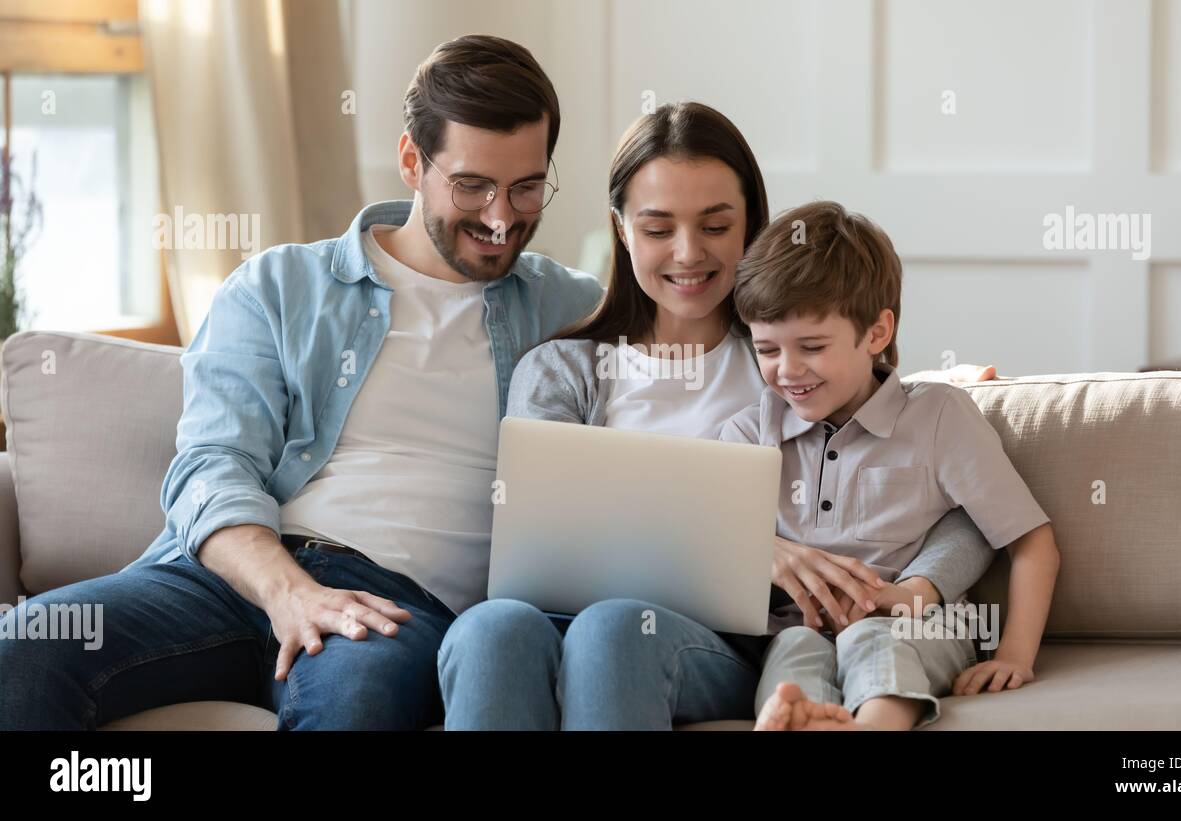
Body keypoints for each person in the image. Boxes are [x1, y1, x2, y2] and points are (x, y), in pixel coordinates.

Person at [0, 35, 602, 730]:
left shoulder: (573, 310)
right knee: (27, 646)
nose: (501, 218)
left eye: (526, 187)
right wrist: (287, 590)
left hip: (393, 609)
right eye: (472, 185)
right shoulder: (280, 286)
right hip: (230, 575)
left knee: (351, 705)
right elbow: (212, 465)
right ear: (412, 161)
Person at [437, 103, 1000, 730]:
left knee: (613, 628)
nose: (688, 253)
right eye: (657, 228)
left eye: (715, 225)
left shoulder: (788, 366)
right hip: (563, 615)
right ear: (621, 229)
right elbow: (541, 539)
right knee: (489, 629)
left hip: (720, 643)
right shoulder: (561, 371)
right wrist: (746, 546)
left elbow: (937, 484)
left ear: (750, 227)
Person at [718, 201, 1060, 730]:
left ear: (876, 334)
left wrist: (1015, 654)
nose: (787, 371)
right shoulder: (748, 434)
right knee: (792, 650)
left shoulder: (939, 417)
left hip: (917, 622)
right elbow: (717, 549)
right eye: (767, 350)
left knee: (874, 637)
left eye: (812, 346)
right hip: (799, 627)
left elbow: (1031, 541)